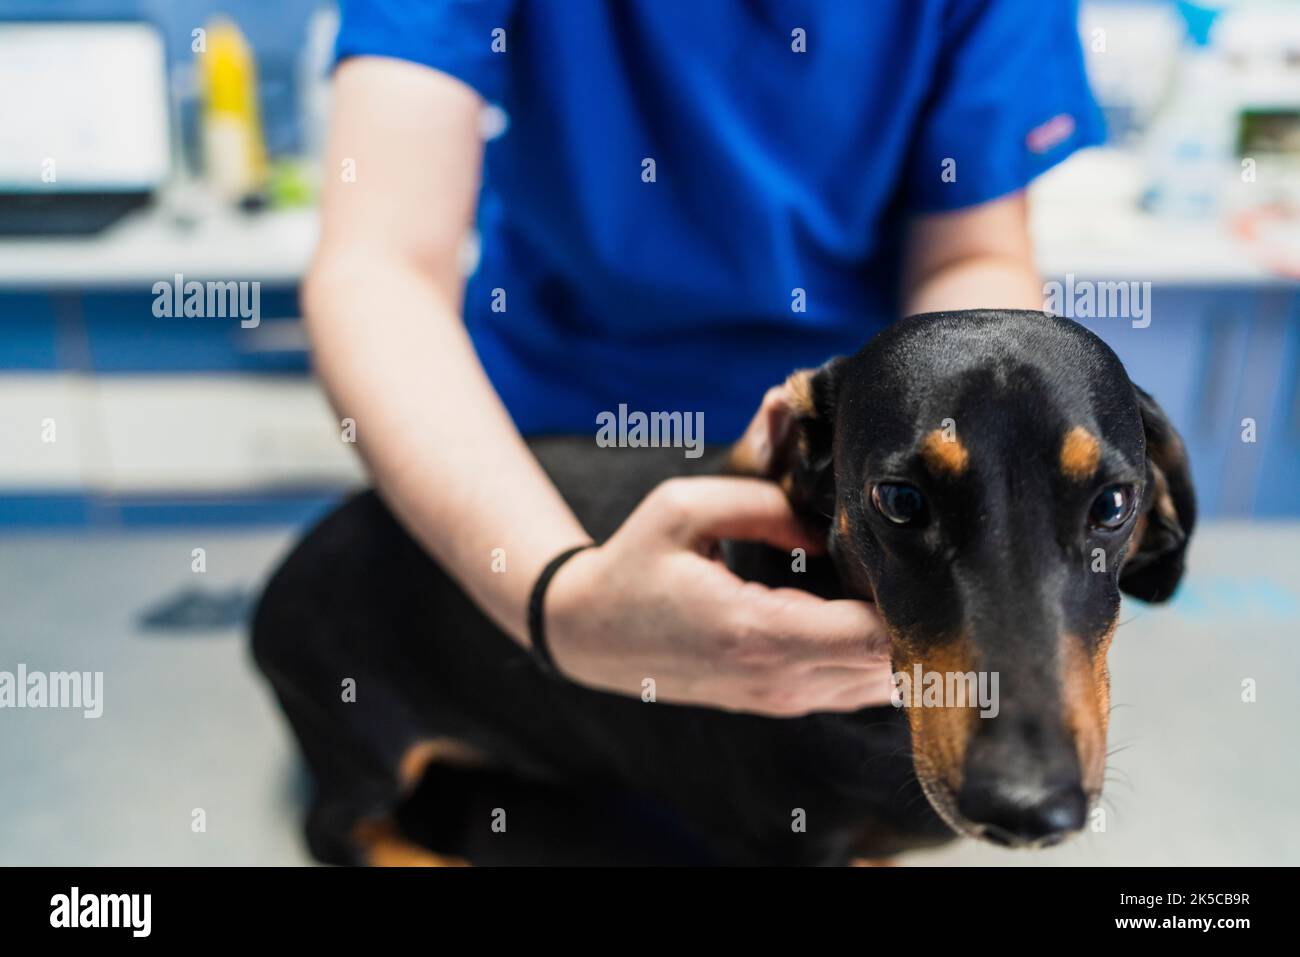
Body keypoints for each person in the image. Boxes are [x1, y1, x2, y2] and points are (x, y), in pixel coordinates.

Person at [267, 0, 1102, 719]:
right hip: (538, 467)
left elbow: (967, 255)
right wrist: (556, 596)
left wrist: (960, 509)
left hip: (832, 483)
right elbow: (381, 263)